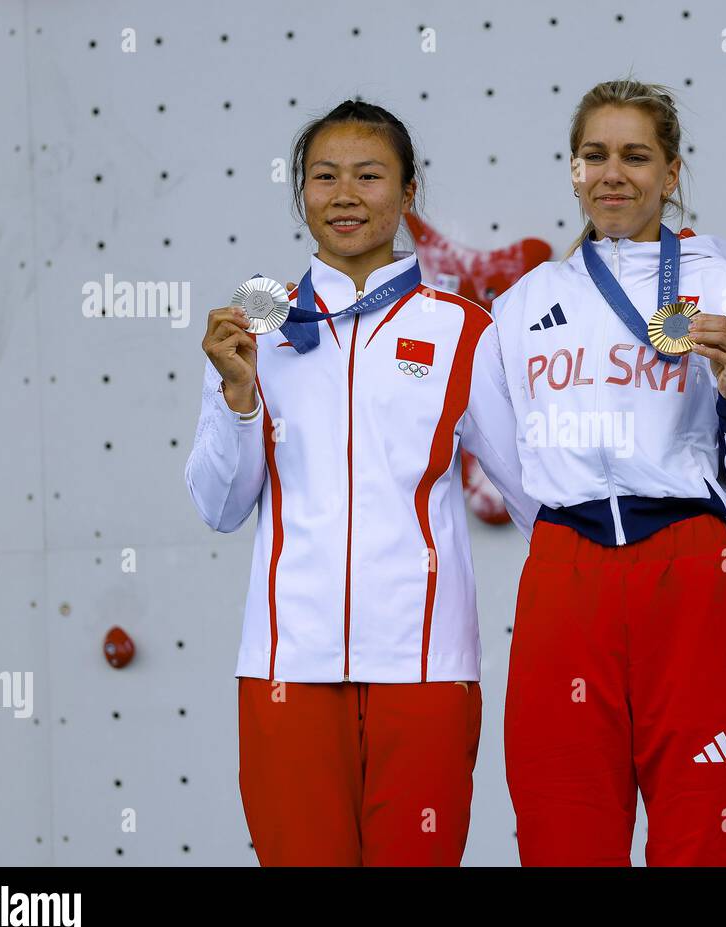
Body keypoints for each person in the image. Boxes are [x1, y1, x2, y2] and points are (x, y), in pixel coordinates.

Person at [184, 99, 536, 866]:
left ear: (409, 193)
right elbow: (218, 505)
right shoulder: (252, 321)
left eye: (369, 175)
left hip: (426, 665)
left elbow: (535, 497)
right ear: (301, 193)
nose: (345, 195)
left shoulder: (462, 330)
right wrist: (238, 398)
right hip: (286, 666)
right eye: (324, 177)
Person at [491, 79, 726, 866]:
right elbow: (510, 456)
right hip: (565, 574)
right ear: (573, 170)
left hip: (687, 565)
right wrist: (566, 535)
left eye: (635, 155)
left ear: (672, 172)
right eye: (594, 155)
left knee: (705, 816)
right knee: (564, 821)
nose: (612, 173)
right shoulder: (524, 305)